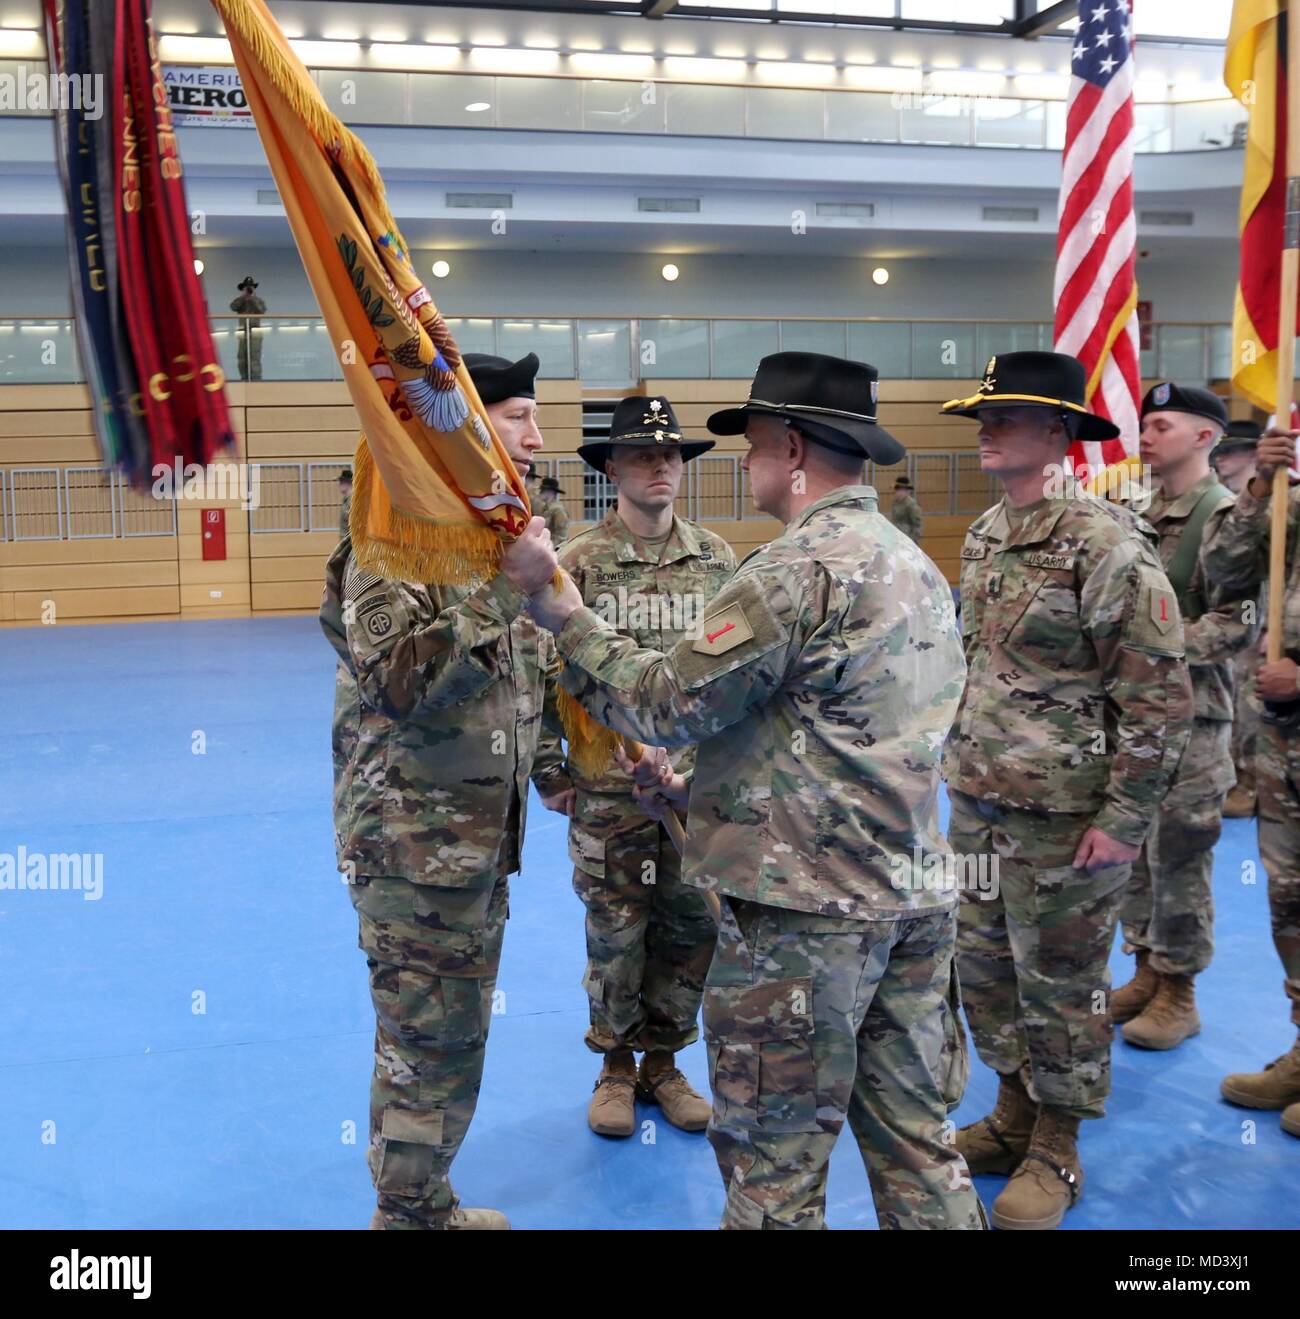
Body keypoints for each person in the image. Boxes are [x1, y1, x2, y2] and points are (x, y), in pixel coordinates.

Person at [527, 351, 983, 1231]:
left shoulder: (793, 570)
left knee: (773, 1167)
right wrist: (700, 787)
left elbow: (662, 700)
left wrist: (565, 617)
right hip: (912, 900)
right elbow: (827, 728)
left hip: (807, 917)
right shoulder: (916, 564)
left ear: (791, 445)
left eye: (752, 442)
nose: (742, 462)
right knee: (918, 1144)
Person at [320, 349, 573, 1229]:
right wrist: (507, 592)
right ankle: (406, 1213)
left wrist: (552, 770)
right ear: (465, 432)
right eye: (517, 417)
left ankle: (424, 1195)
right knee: (424, 1039)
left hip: (470, 842)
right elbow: (399, 682)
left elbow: (522, 671)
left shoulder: (490, 533)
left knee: (451, 1035)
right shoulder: (393, 536)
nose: (538, 437)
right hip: (413, 847)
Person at [940, 352, 1193, 1230]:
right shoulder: (982, 535)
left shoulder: (1106, 543)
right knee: (985, 971)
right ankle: (1012, 1112)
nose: (985, 429)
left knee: (1062, 982)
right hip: (976, 803)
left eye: (1003, 417)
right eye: (984, 416)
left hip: (1068, 818)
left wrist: (1126, 820)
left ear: (1056, 434)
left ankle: (1058, 1141)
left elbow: (1160, 696)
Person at [537, 395, 734, 1138]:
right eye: (645, 455)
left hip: (691, 790)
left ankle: (665, 1060)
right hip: (609, 790)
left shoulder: (717, 559)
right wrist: (548, 769)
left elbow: (734, 674)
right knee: (616, 928)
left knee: (689, 927)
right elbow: (542, 670)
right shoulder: (578, 561)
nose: (661, 466)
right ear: (612, 467)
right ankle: (615, 1064)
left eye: (671, 454)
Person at [1111, 385, 1256, 1051]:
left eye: (1162, 424)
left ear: (1204, 437)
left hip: (1194, 720)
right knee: (1134, 851)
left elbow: (1237, 621)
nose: (1147, 432)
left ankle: (1180, 991)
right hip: (1131, 718)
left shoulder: (1224, 515)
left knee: (1181, 857)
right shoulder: (1130, 507)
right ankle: (1145, 967)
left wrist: (1155, 651)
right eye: (1144, 422)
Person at [1202, 423, 1300, 1140]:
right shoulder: (1289, 499)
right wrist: (1262, 488)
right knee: (1290, 900)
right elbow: (1225, 573)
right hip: (1282, 738)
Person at [1214, 421, 1265, 818]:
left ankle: (1250, 785)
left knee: (1251, 709)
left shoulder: (1282, 499)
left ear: (1254, 453)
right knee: (1231, 704)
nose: (1221, 458)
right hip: (1227, 621)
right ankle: (1233, 779)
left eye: (1230, 451)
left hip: (1265, 625)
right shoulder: (1222, 502)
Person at [230, 276, 266, 381]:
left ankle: (256, 379)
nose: (249, 289)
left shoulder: (259, 300)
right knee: (242, 357)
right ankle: (244, 378)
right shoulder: (240, 300)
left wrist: (253, 298)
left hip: (255, 331)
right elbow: (233, 307)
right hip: (243, 331)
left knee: (254, 357)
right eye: (247, 287)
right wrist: (243, 297)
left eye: (250, 287)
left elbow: (262, 310)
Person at [888, 474, 923, 542]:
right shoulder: (896, 502)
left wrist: (912, 541)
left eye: (897, 490)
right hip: (898, 538)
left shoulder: (911, 504)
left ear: (904, 490)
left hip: (908, 539)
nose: (895, 492)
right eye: (896, 490)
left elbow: (917, 525)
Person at [538, 475, 570, 546]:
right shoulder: (545, 508)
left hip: (555, 551)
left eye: (543, 490)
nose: (540, 492)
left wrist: (549, 548)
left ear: (550, 492)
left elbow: (562, 536)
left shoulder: (558, 510)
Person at [337, 467, 352, 539]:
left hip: (351, 543)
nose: (339, 484)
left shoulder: (352, 501)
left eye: (342, 481)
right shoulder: (346, 500)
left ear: (349, 483)